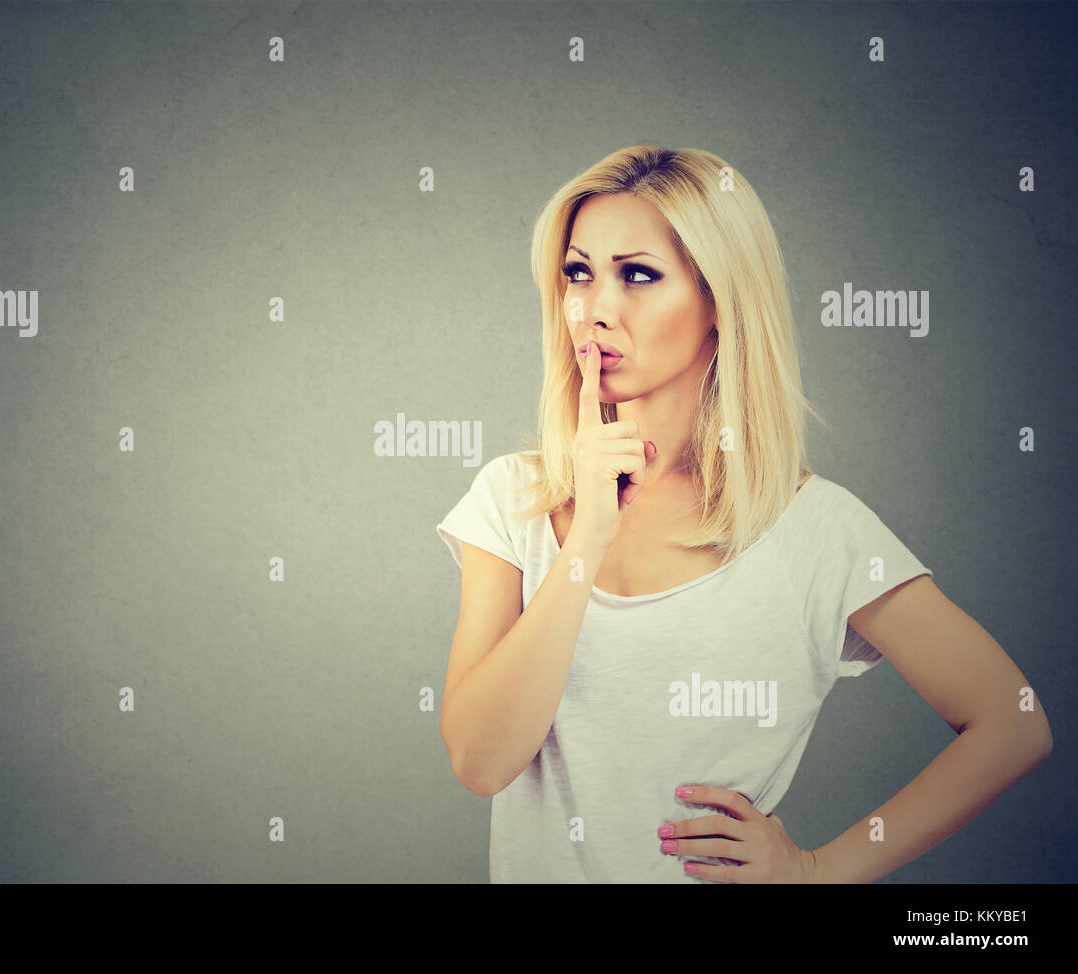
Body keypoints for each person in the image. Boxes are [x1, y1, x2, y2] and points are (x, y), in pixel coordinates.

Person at [435, 145, 1052, 883]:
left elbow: (1013, 722)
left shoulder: (817, 530)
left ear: (720, 303)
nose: (594, 308)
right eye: (578, 272)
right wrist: (589, 536)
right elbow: (481, 760)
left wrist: (817, 871)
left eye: (638, 275)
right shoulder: (513, 501)